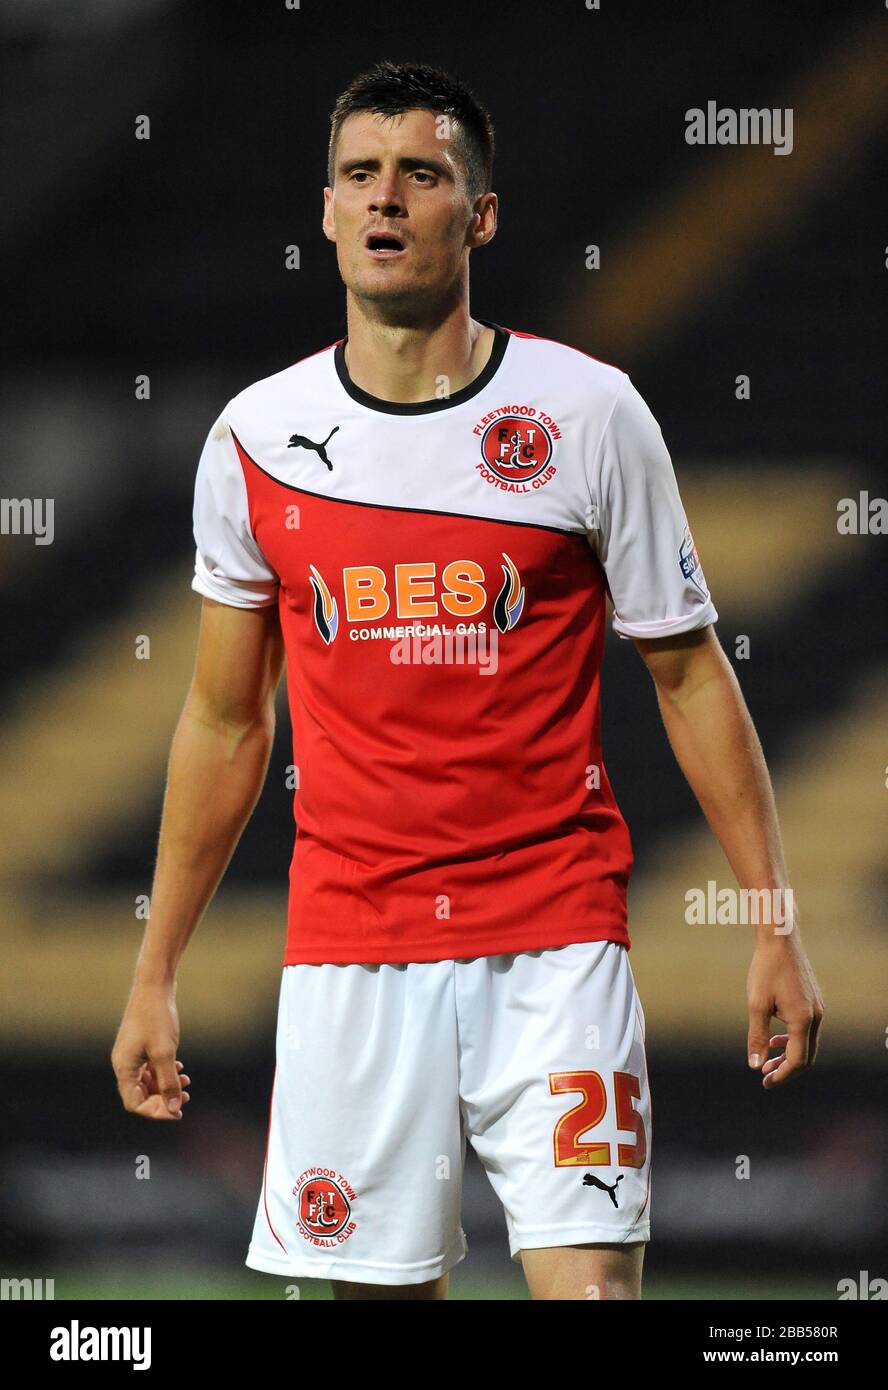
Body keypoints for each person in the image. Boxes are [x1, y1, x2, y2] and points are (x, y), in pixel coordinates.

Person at [112, 60, 824, 1301]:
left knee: (595, 1296)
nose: (387, 199)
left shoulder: (590, 415)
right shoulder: (254, 441)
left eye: (423, 175)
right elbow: (228, 719)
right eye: (359, 175)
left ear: (480, 215)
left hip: (555, 946)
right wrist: (153, 970)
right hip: (350, 954)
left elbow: (691, 674)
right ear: (325, 211)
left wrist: (775, 919)